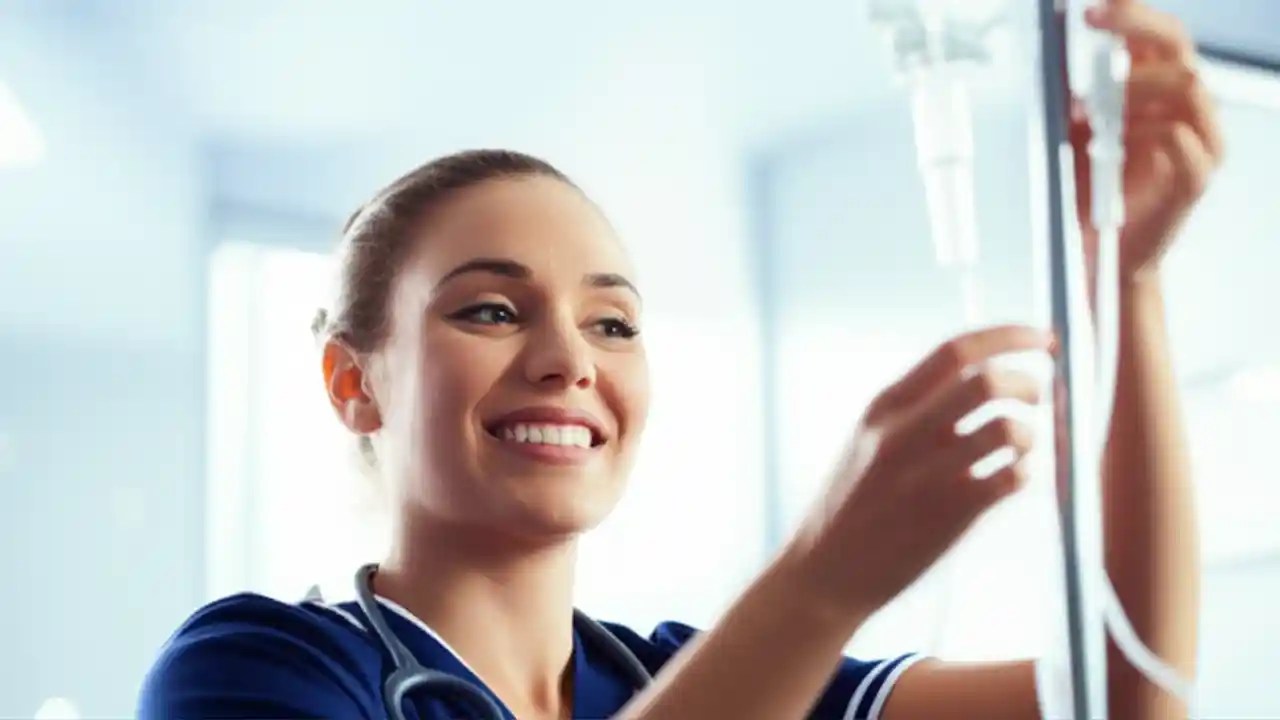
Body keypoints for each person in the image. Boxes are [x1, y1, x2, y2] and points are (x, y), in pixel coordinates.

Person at [137, 2, 1222, 717]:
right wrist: (820, 582)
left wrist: (1126, 277)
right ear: (353, 382)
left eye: (611, 323)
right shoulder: (256, 669)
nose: (567, 359)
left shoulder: (684, 676)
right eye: (491, 311)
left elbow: (1127, 693)